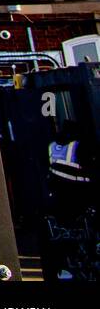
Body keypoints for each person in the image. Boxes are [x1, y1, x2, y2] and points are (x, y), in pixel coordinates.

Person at [43, 120, 96, 280]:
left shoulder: (51, 146)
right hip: (77, 194)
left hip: (58, 196)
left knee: (63, 234)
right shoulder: (79, 145)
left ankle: (66, 267)